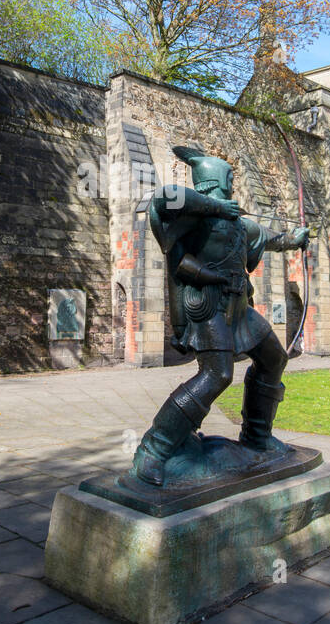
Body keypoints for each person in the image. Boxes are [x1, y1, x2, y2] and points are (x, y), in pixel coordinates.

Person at [131, 147, 309, 486]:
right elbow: (163, 198)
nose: (232, 185)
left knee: (273, 358)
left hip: (240, 308)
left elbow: (270, 238)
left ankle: (258, 437)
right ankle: (153, 450)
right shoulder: (192, 215)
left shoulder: (239, 224)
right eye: (228, 179)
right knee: (217, 375)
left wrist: (293, 239)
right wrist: (215, 207)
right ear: (216, 182)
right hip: (208, 306)